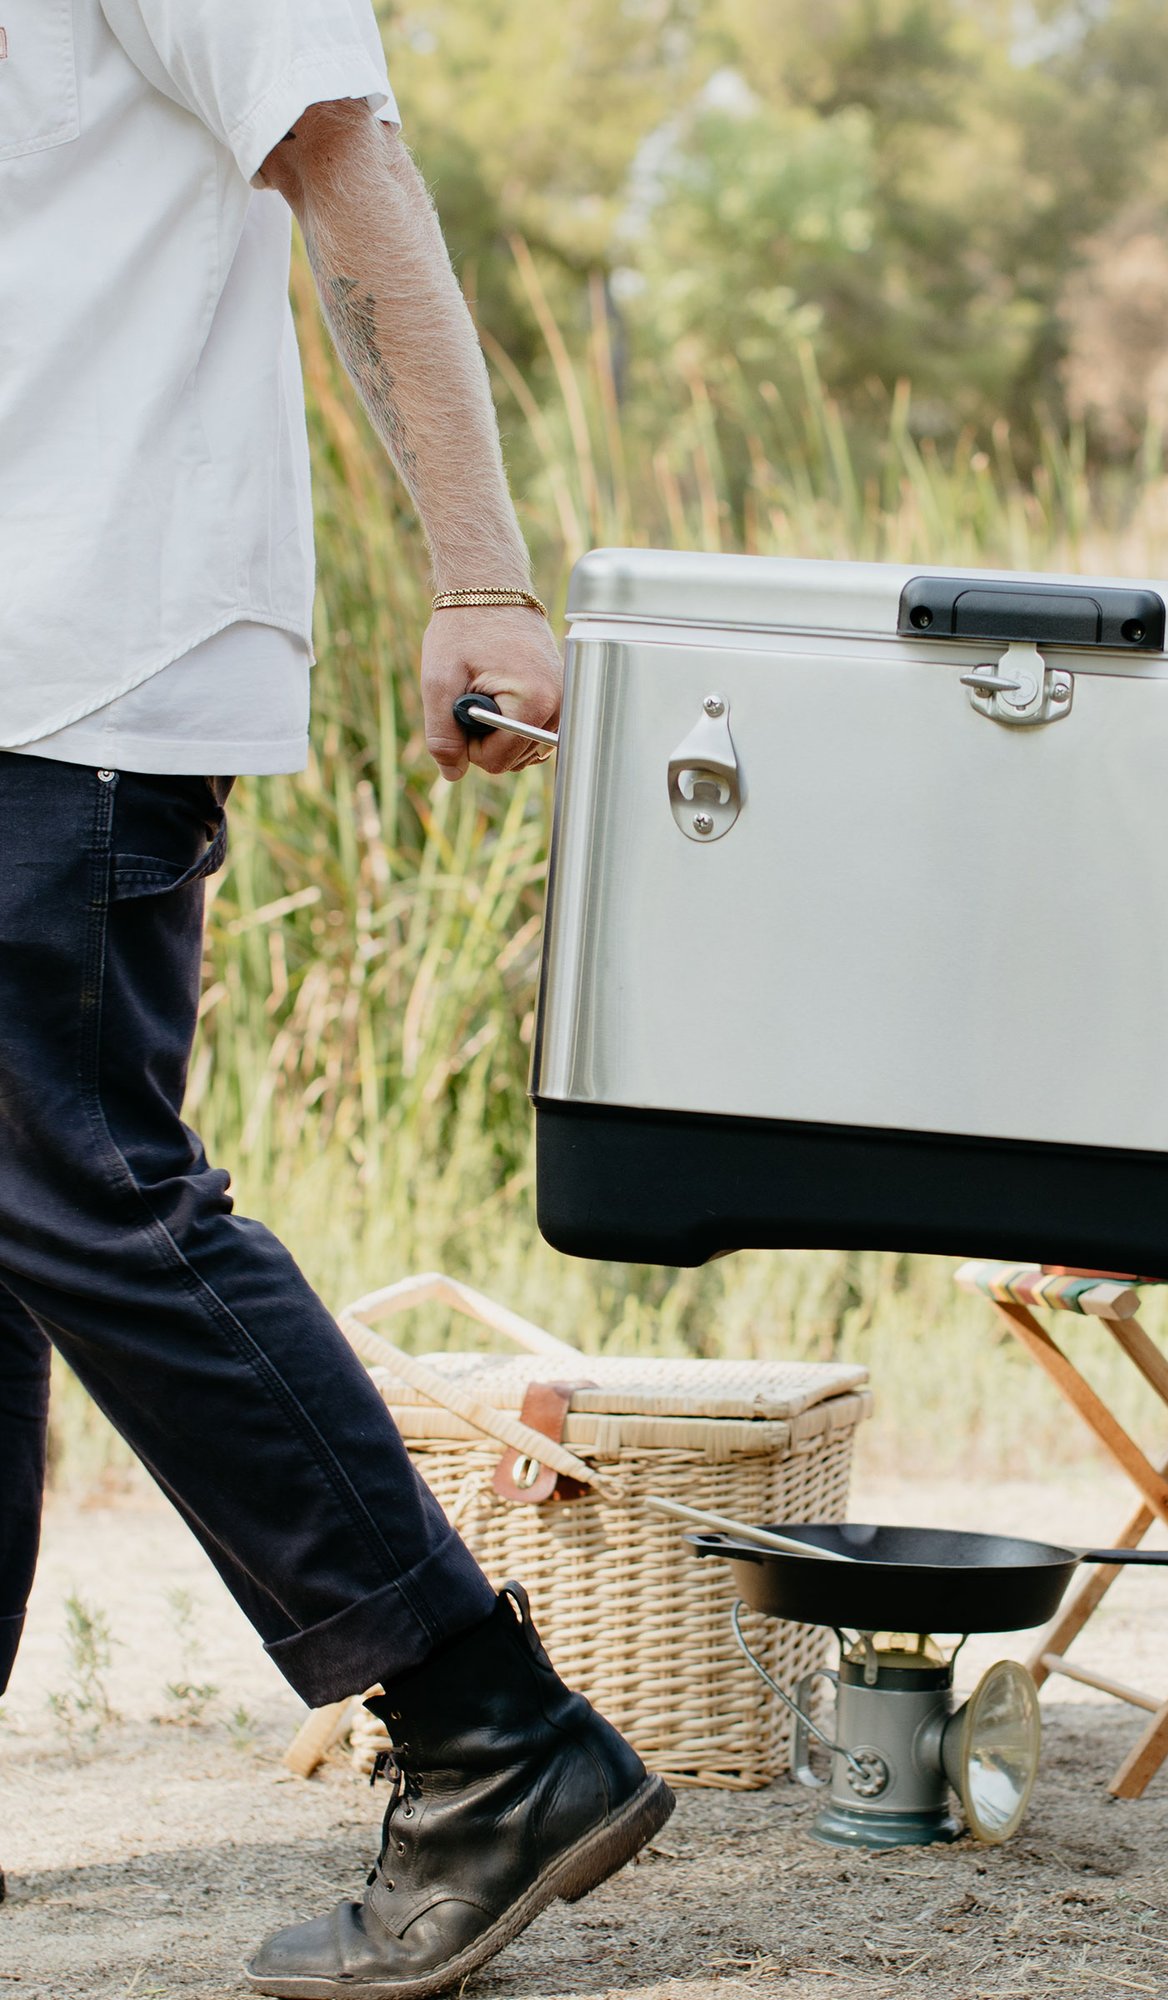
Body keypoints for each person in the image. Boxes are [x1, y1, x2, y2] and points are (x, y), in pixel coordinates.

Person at [0, 3, 672, 1993]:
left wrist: (481, 573)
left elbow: (348, 172)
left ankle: (489, 1729)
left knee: (89, 1194)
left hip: (73, 660)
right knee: (23, 1222)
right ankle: (486, 1733)